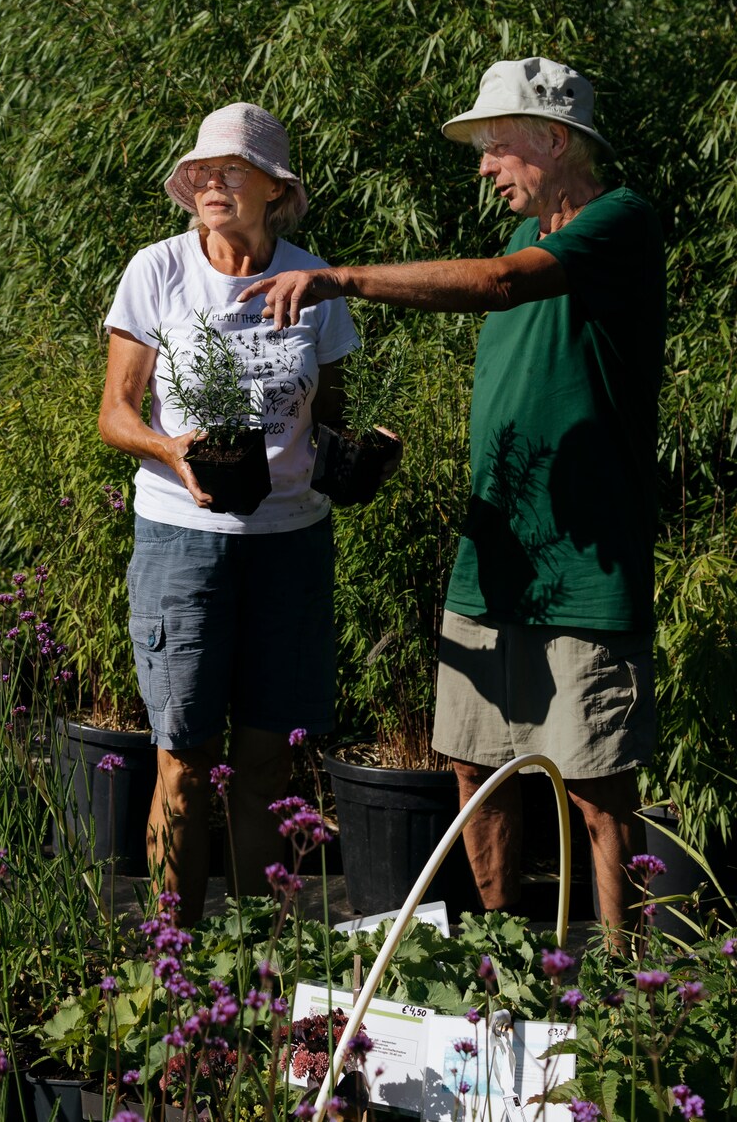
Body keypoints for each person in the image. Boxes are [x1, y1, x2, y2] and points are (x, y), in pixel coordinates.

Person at [246, 58, 665, 935]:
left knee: (597, 791)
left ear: (554, 140)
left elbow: (497, 285)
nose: (484, 167)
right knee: (476, 767)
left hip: (586, 568)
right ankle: (502, 961)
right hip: (496, 558)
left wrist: (341, 277)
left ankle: (634, 997)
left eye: (497, 147)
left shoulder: (616, 224)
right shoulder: (525, 243)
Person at [98, 102, 361, 921]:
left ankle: (256, 966)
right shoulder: (159, 271)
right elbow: (114, 410)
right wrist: (175, 450)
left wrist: (355, 459)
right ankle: (173, 967)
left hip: (290, 544)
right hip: (185, 540)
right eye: (203, 170)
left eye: (232, 169)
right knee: (181, 757)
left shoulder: (314, 283)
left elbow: (332, 414)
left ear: (274, 189)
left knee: (265, 768)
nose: (212, 181)